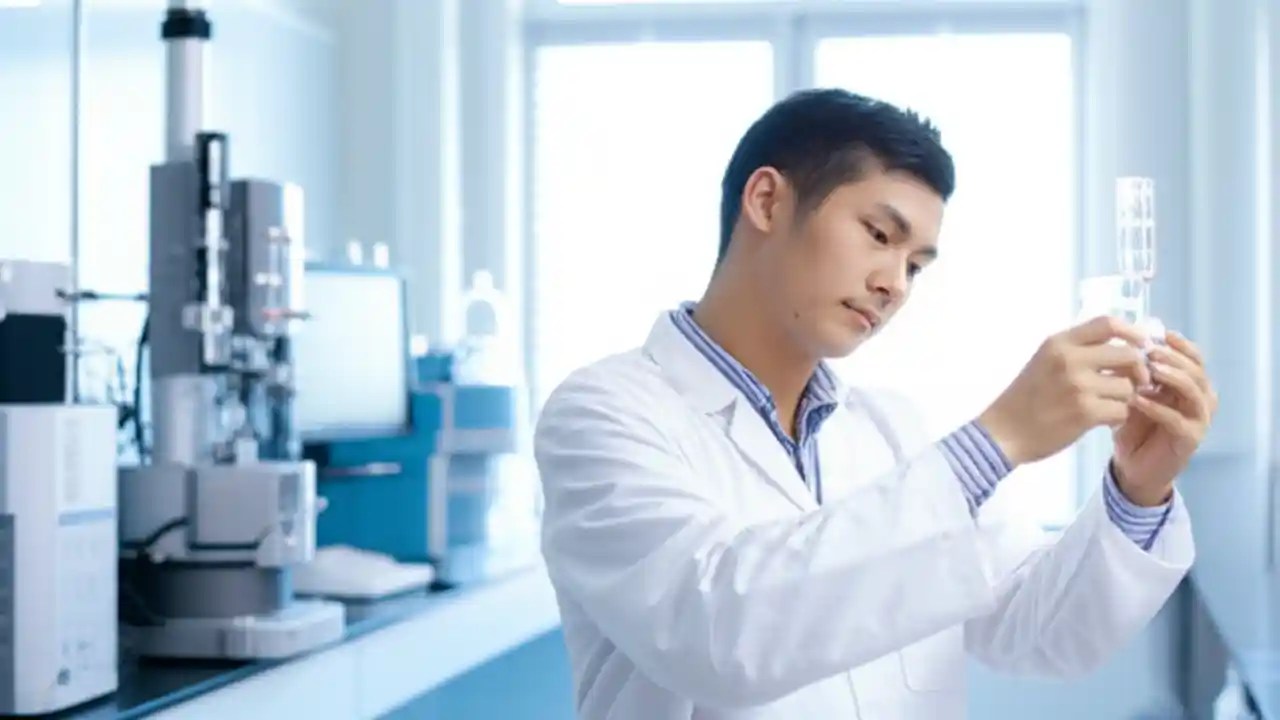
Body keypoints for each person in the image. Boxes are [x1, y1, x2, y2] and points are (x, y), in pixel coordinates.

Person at [532, 88, 1217, 720]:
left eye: (915, 265)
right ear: (766, 201)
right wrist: (1000, 439)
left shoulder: (894, 431)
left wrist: (1138, 489)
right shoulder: (603, 415)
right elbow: (715, 633)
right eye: (880, 236)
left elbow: (1038, 632)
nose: (895, 285)